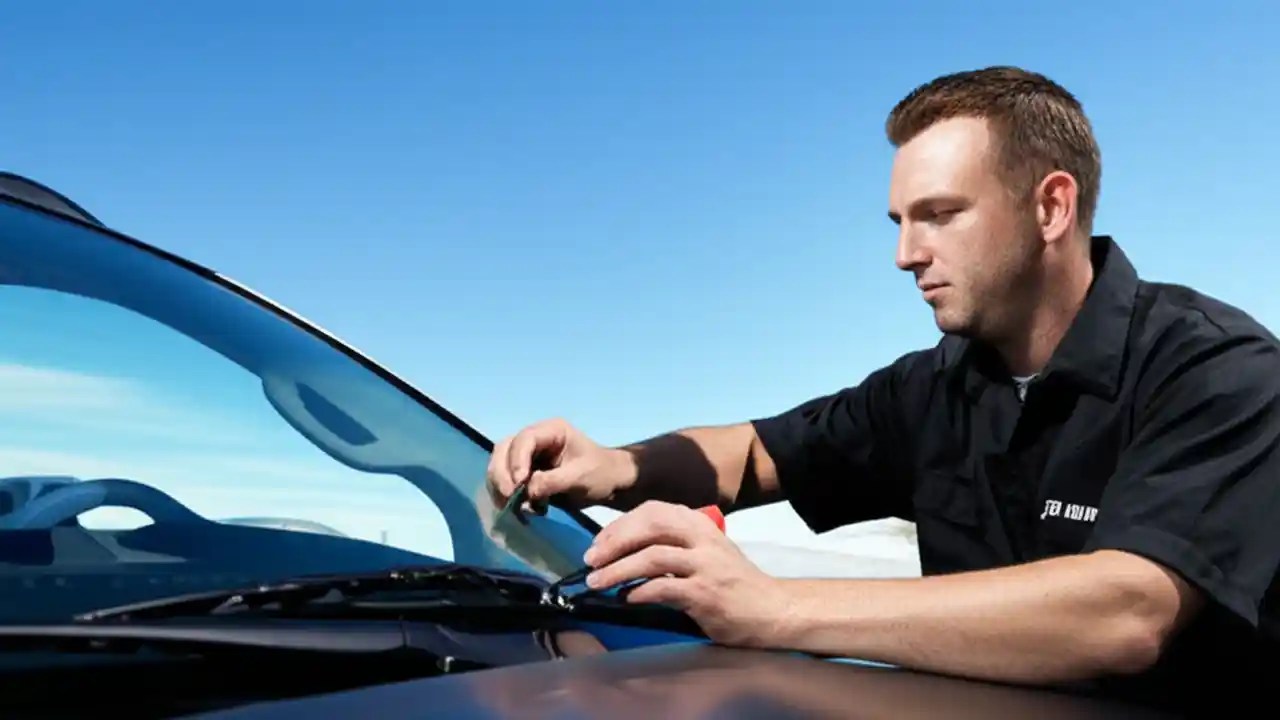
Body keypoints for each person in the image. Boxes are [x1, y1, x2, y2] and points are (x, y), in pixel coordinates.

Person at [485, 66, 1280, 708]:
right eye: (898, 221)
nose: (905, 254)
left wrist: (776, 608)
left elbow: (1126, 612)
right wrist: (613, 465)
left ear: (1051, 206)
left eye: (938, 214)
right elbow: (755, 454)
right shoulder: (930, 389)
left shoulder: (1218, 368)